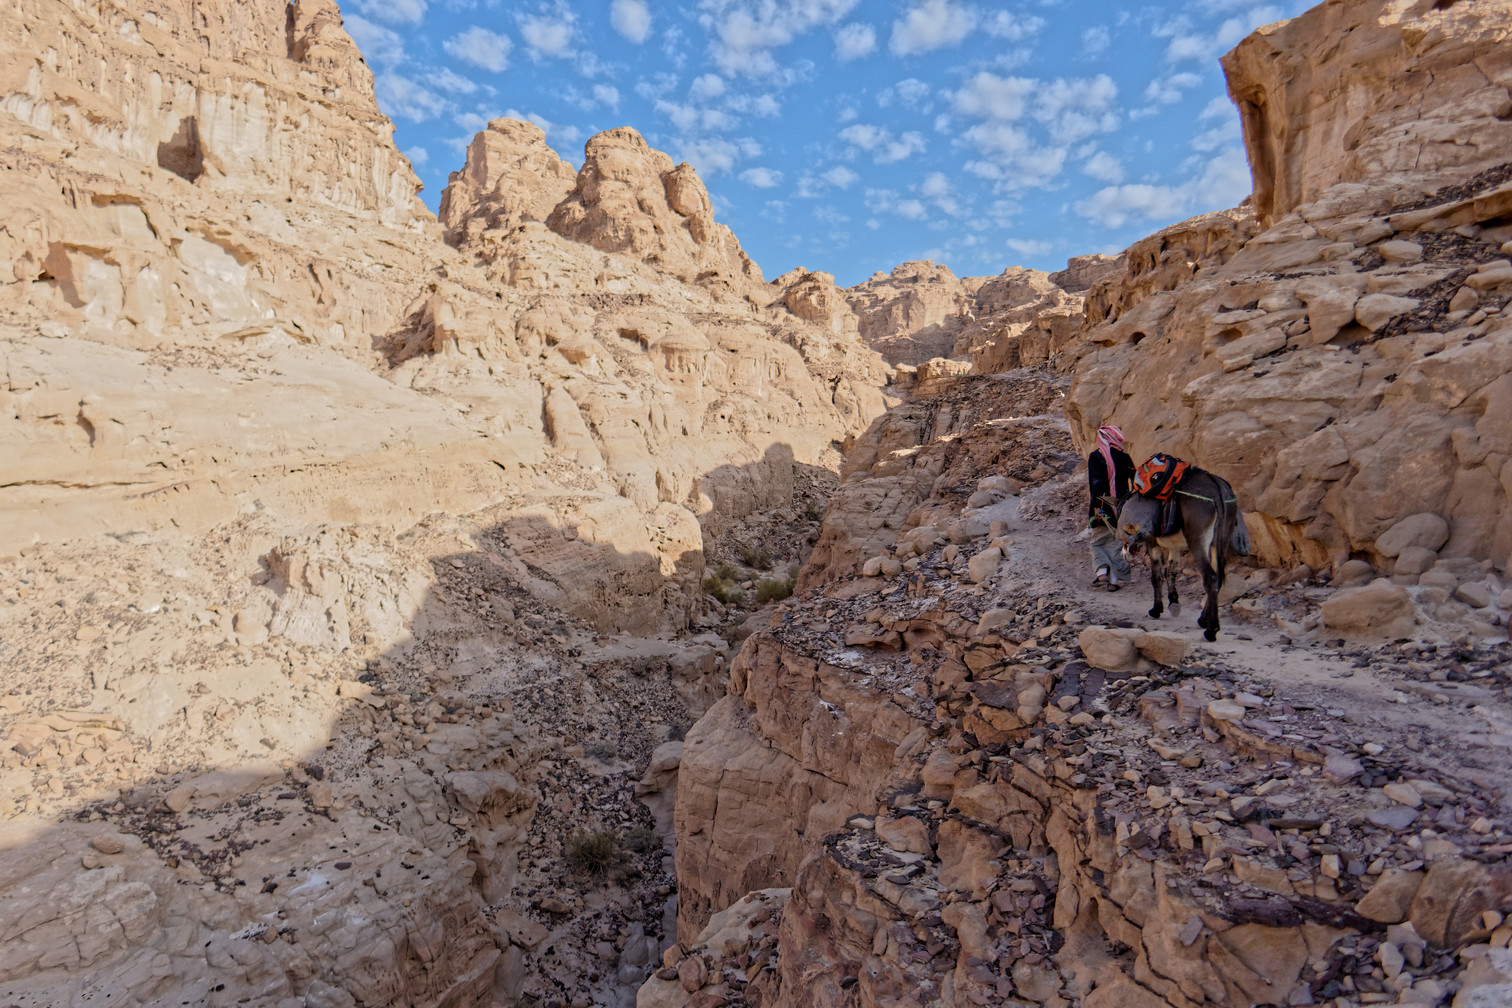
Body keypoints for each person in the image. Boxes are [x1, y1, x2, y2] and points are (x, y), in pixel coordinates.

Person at [1087, 424, 1134, 590]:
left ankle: (1101, 574)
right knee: (1118, 543)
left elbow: (1096, 484)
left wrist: (1096, 508)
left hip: (1102, 507)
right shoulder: (1125, 457)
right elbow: (1135, 481)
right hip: (1123, 507)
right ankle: (1114, 582)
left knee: (1098, 542)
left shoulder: (1096, 457)